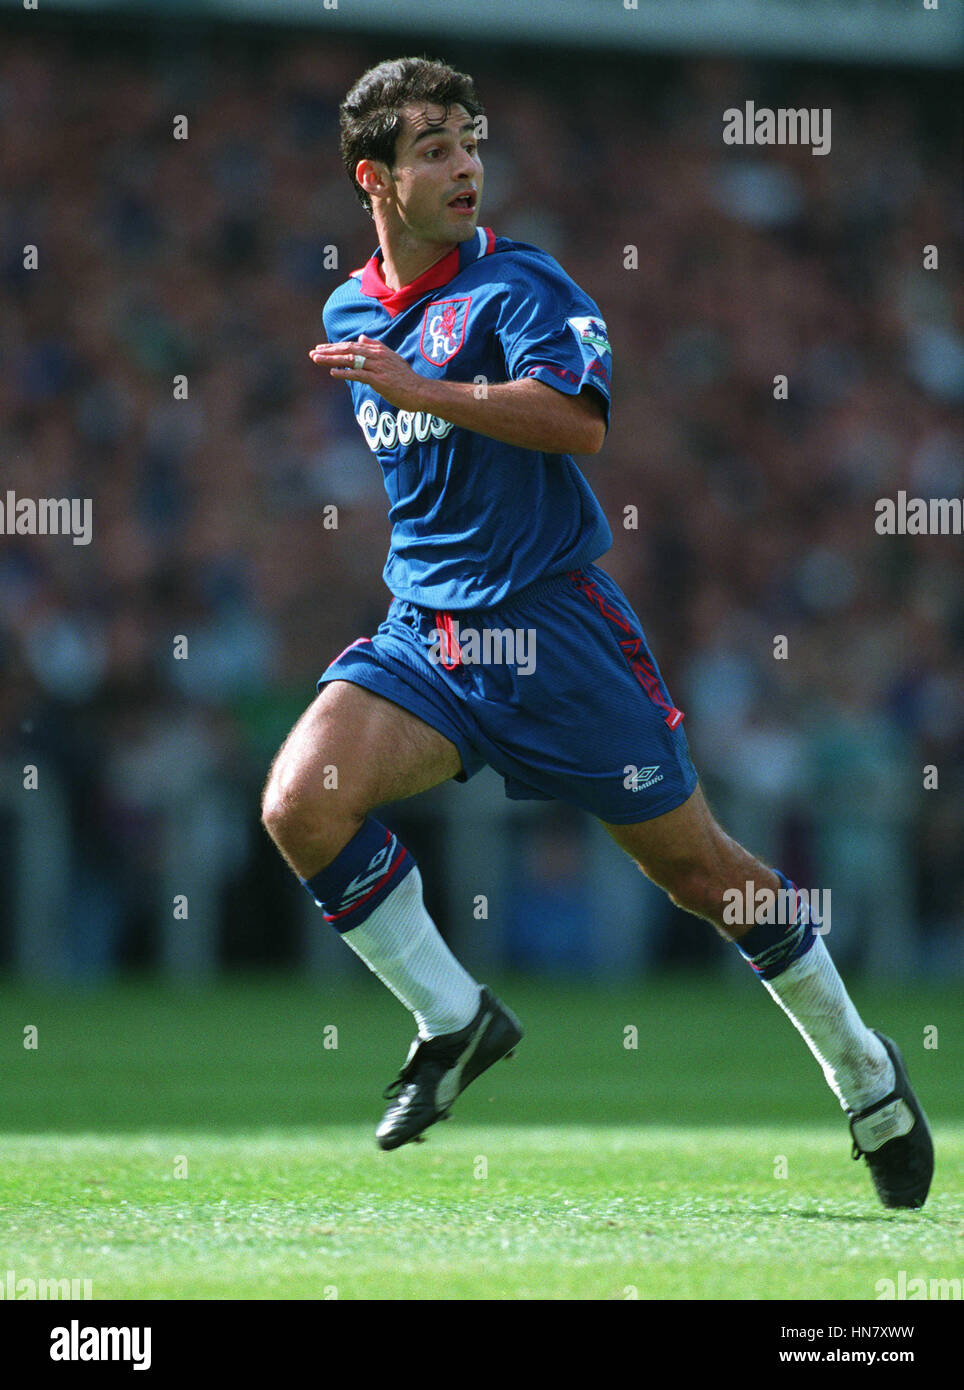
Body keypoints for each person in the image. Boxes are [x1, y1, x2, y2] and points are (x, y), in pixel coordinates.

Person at [261, 57, 932, 1207]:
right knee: (299, 802)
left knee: (705, 874)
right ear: (372, 176)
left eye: (471, 140)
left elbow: (576, 424)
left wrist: (427, 391)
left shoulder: (521, 287)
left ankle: (864, 1068)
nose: (467, 163)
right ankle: (454, 1019)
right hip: (428, 633)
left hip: (557, 634)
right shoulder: (347, 309)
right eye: (434, 148)